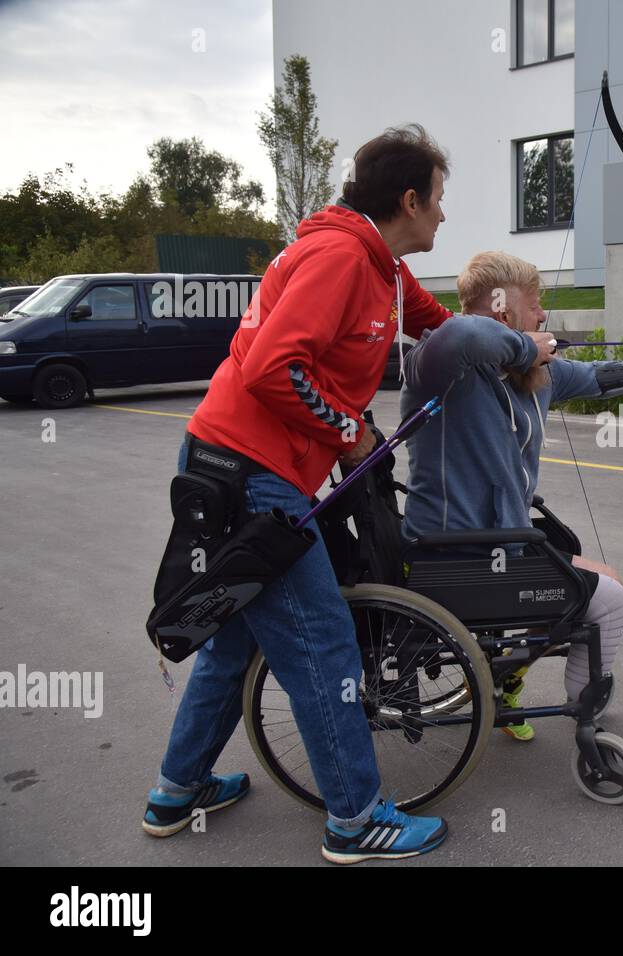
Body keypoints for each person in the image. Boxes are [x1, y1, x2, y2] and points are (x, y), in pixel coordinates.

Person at [143, 125, 460, 864]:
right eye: (439, 201)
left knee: (237, 638)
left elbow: (437, 323)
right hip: (247, 470)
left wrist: (514, 342)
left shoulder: (381, 265)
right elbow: (272, 369)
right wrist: (347, 428)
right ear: (408, 200)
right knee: (323, 643)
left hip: (249, 461)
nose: (444, 215)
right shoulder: (341, 255)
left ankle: (175, 790)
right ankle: (355, 821)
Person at [399, 250, 623, 738]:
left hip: (502, 549)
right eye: (534, 304)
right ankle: (586, 723)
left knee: (604, 580)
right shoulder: (441, 366)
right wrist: (522, 346)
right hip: (455, 558)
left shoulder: (533, 378)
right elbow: (463, 333)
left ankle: (506, 677)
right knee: (607, 600)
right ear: (502, 310)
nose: (543, 316)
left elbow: (600, 377)